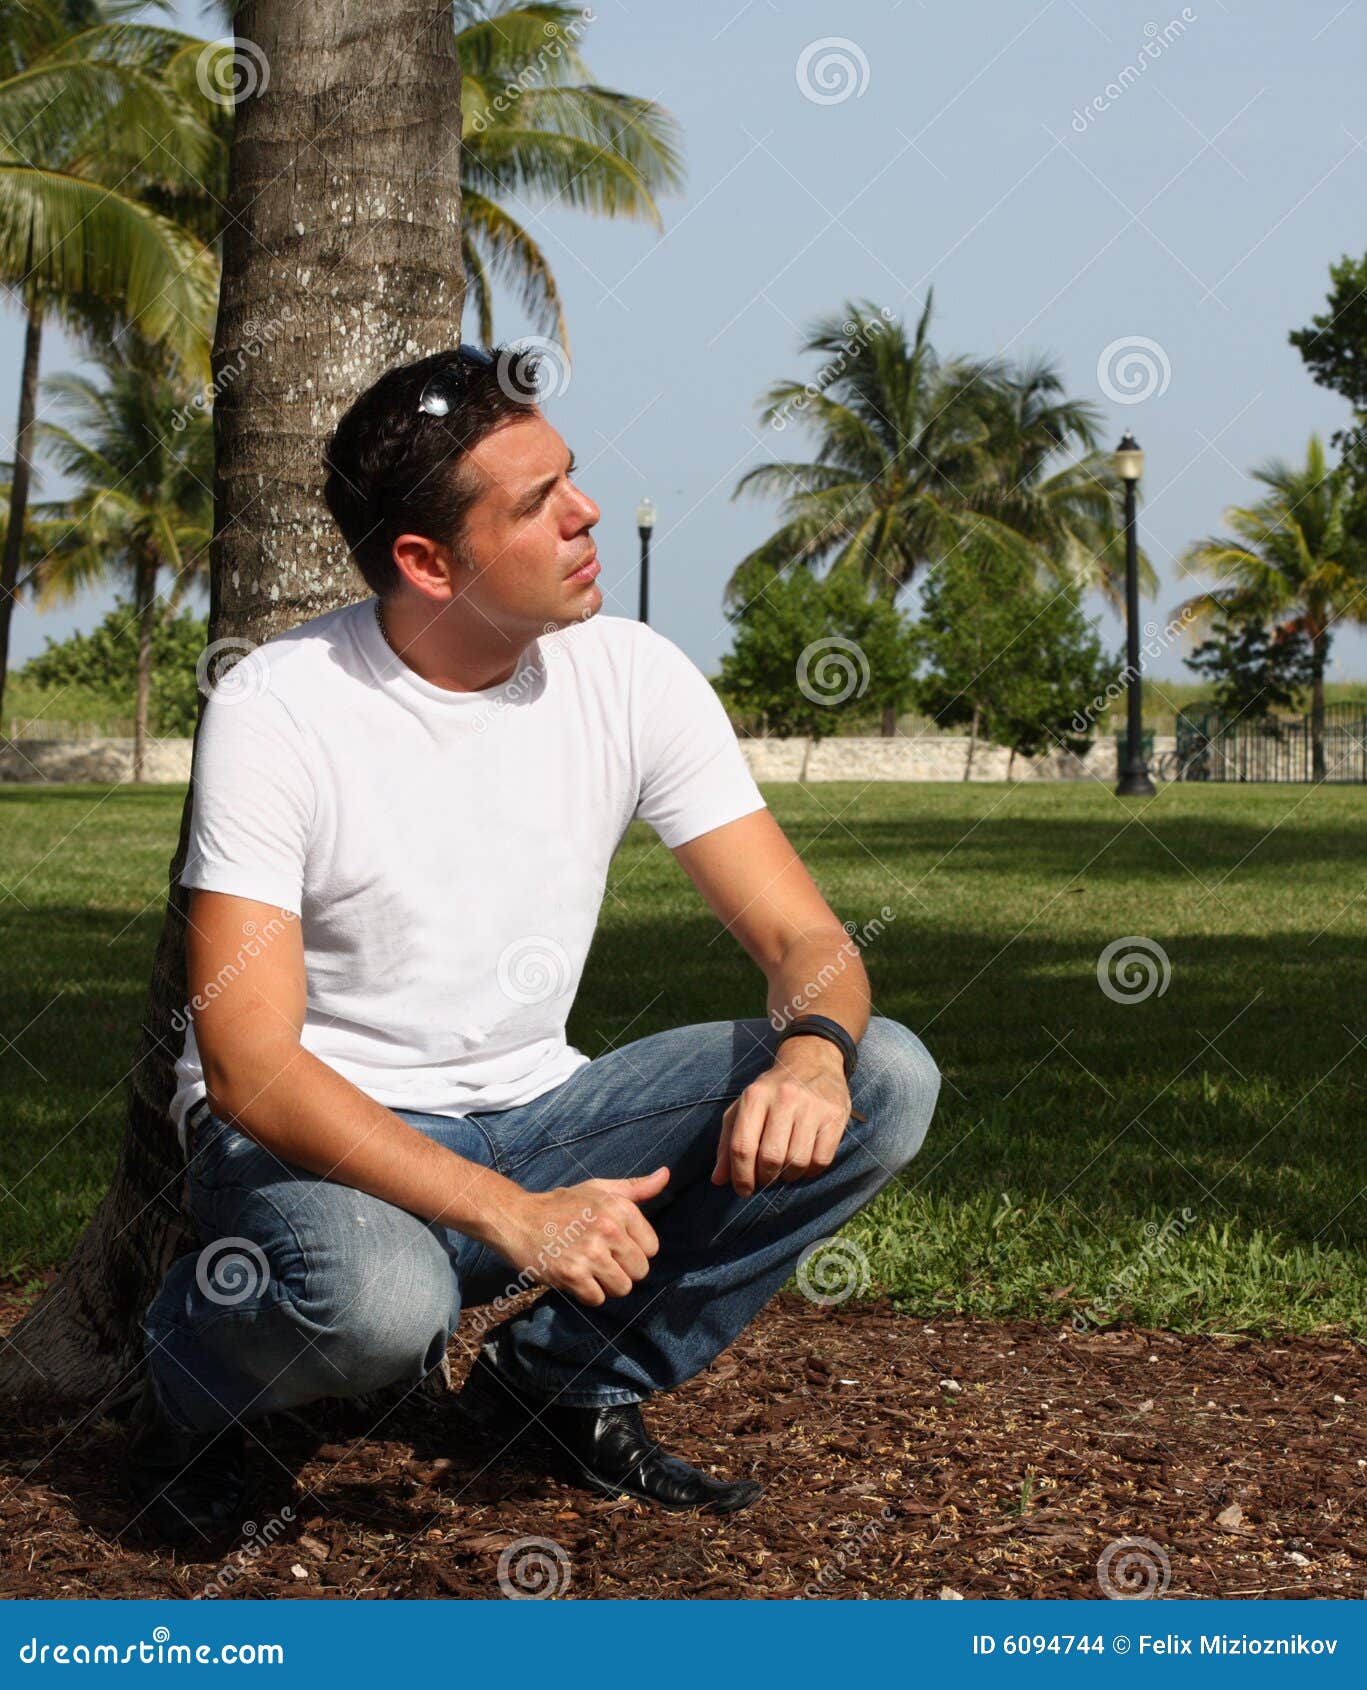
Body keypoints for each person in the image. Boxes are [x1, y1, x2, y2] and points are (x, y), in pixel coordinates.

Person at [124, 344, 942, 1547]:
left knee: (885, 1076)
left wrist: (811, 1052)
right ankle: (190, 1397)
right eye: (537, 501)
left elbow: (798, 933)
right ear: (425, 560)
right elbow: (250, 1069)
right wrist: (512, 1216)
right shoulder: (278, 707)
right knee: (380, 1304)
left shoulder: (631, 673)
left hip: (539, 1109)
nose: (586, 510)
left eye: (571, 475)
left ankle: (560, 1384)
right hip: (322, 1142)